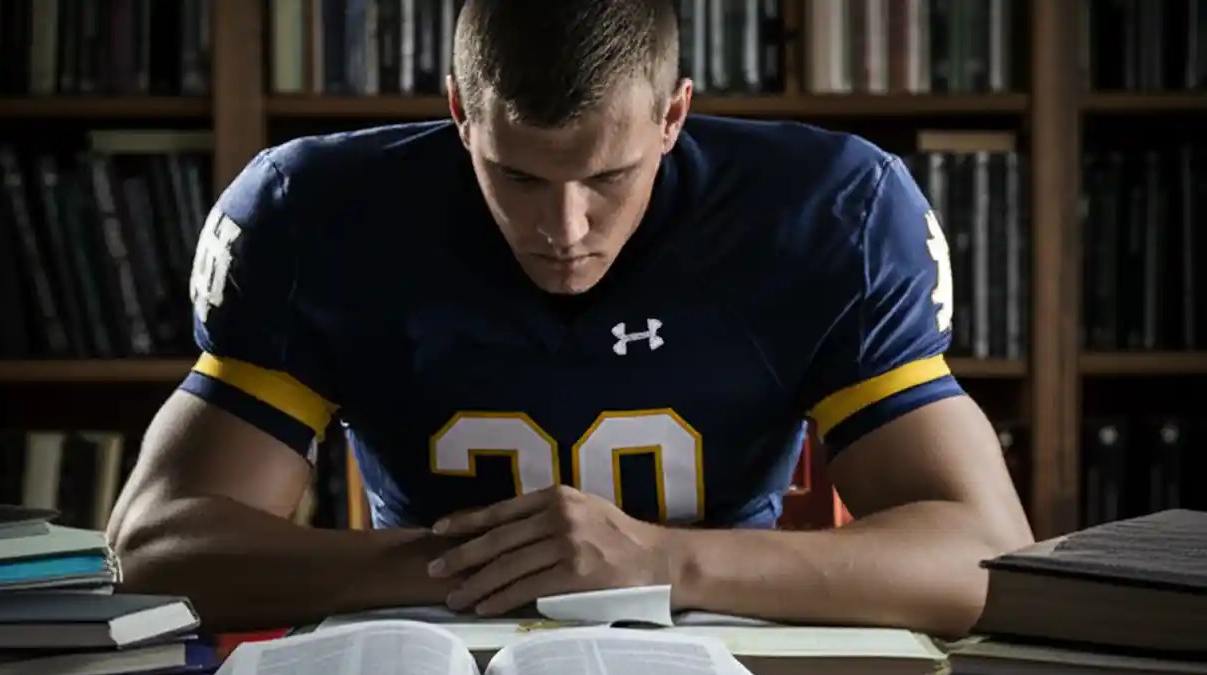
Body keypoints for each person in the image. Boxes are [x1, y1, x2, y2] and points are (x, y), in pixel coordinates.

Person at [107, 0, 1034, 637]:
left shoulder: (826, 210)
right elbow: (154, 545)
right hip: (432, 648)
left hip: (727, 650)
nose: (565, 230)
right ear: (461, 112)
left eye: (608, 175)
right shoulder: (315, 211)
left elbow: (984, 556)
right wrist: (474, 566)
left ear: (673, 117)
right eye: (518, 175)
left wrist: (660, 560)